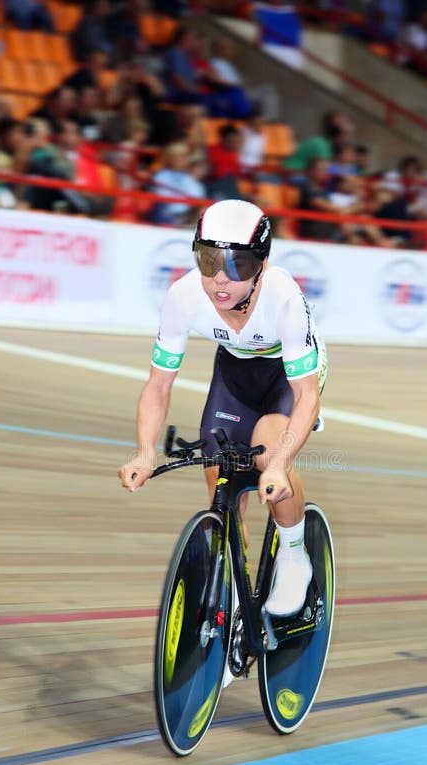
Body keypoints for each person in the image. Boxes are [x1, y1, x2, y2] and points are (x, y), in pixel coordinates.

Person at [118, 199, 327, 622]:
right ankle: (233, 591)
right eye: (209, 260)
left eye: (238, 265)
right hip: (235, 372)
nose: (220, 279)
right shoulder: (183, 295)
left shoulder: (284, 298)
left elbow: (306, 396)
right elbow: (159, 384)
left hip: (286, 378)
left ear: (262, 266)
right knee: (219, 473)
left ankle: (293, 553)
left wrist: (279, 463)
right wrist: (144, 449)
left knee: (268, 451)